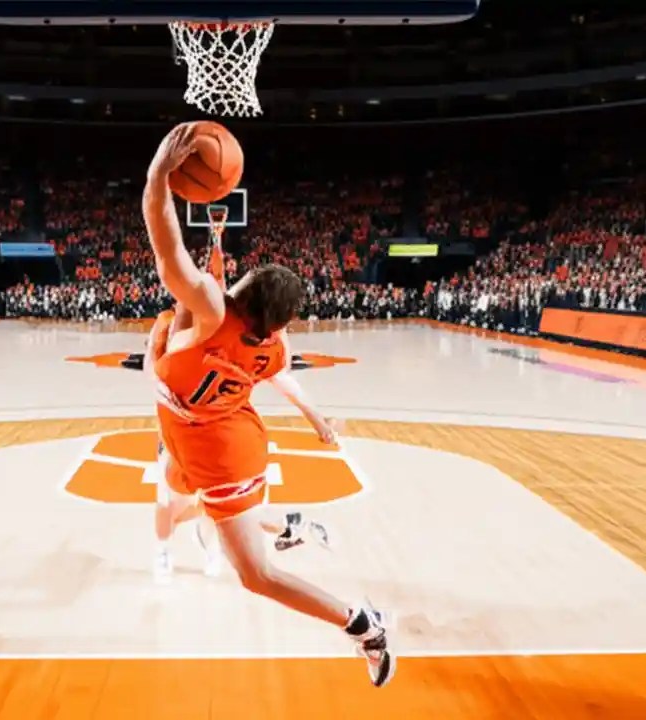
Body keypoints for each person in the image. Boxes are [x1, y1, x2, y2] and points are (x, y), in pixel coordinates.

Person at [142, 123, 394, 687]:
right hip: (217, 431)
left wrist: (159, 173)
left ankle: (363, 626)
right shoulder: (271, 343)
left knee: (255, 575)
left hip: (219, 456)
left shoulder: (212, 312)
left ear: (244, 296)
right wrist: (318, 419)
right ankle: (289, 521)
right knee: (183, 499)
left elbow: (165, 246)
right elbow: (283, 378)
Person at [144, 233, 332, 583]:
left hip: (201, 432)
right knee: (180, 503)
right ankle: (168, 549)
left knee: (197, 505)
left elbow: (207, 291)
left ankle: (210, 548)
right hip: (199, 433)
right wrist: (318, 420)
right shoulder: (267, 349)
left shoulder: (203, 324)